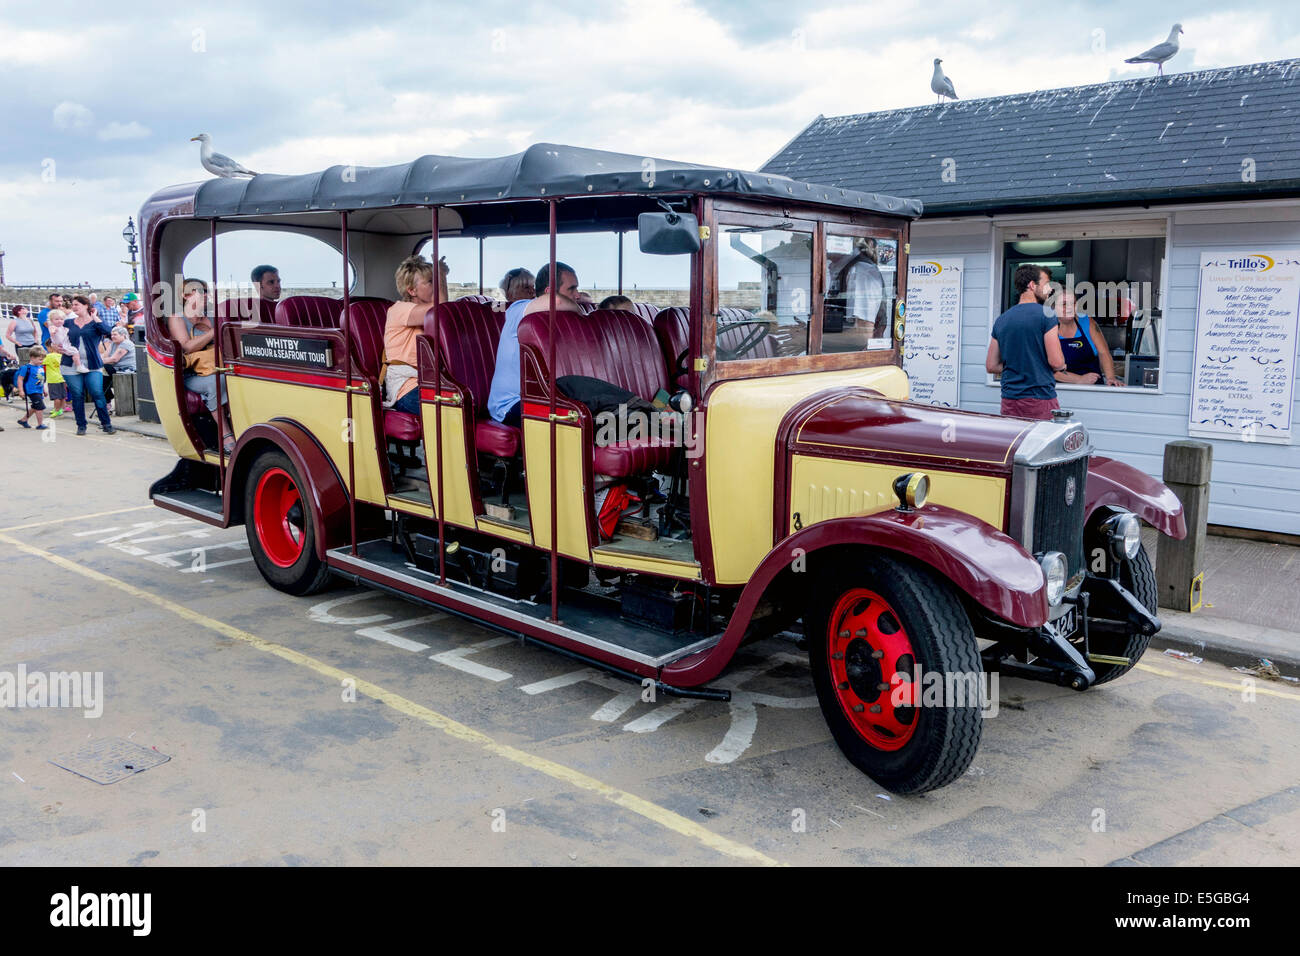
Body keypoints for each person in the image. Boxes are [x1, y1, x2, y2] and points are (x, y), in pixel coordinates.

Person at [488, 262, 583, 427]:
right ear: (548, 293)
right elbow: (558, 302)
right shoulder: (518, 309)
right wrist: (581, 312)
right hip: (510, 404)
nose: (578, 295)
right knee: (575, 419)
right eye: (572, 289)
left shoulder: (551, 319)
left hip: (541, 395)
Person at [986, 265, 1067, 420]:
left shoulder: (1002, 319)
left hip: (1009, 400)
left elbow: (991, 366)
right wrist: (1063, 366)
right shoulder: (1047, 315)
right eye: (1046, 284)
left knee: (1015, 444)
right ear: (1032, 285)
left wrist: (1018, 364)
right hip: (1040, 399)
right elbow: (1056, 362)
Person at [167, 278, 234, 451]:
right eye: (200, 291)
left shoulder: (212, 316)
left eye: (206, 291)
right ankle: (226, 434)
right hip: (193, 373)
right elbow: (187, 347)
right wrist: (214, 332)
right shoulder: (177, 318)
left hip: (217, 365)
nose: (206, 294)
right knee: (214, 382)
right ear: (185, 295)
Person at [383, 255, 449, 415]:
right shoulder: (399, 310)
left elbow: (444, 308)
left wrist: (441, 276)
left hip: (428, 381)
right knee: (450, 410)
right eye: (430, 282)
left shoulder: (425, 312)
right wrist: (440, 275)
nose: (435, 286)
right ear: (411, 290)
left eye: (435, 281)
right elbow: (440, 308)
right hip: (407, 387)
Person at [63, 295, 116, 435]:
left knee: (97, 393)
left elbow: (109, 332)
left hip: (92, 364)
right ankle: (81, 425)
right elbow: (57, 339)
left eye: (76, 304)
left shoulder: (95, 323)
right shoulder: (68, 323)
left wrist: (96, 318)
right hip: (71, 364)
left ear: (86, 305)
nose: (74, 307)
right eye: (72, 305)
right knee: (77, 395)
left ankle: (106, 424)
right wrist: (58, 347)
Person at [1055, 291, 1123, 387]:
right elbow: (1047, 370)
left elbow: (1104, 353)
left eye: (1073, 303)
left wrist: (1110, 377)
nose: (1069, 307)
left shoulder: (1087, 322)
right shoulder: (1047, 328)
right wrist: (1079, 379)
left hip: (1093, 388)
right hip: (1062, 390)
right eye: (1064, 304)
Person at [14, 346, 49, 429]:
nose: (42, 361)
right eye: (40, 359)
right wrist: (21, 391)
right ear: (32, 358)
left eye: (42, 359)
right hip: (31, 391)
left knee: (35, 406)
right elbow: (20, 379)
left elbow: (41, 379)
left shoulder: (40, 367)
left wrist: (44, 389)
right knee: (40, 406)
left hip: (39, 390)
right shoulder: (26, 368)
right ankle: (40, 424)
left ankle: (23, 420)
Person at [101, 326, 136, 408]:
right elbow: (104, 355)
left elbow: (114, 359)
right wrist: (99, 360)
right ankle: (107, 400)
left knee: (103, 372)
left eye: (115, 335)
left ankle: (108, 401)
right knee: (101, 380)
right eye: (112, 335)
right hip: (114, 368)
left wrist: (97, 362)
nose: (112, 336)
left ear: (123, 335)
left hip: (126, 369)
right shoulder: (113, 343)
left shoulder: (126, 343)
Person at [43, 340, 68, 418]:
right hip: (62, 378)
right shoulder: (61, 356)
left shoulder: (49, 356)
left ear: (51, 347)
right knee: (62, 395)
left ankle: (57, 410)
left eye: (47, 348)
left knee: (56, 397)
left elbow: (41, 362)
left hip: (53, 379)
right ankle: (62, 408)